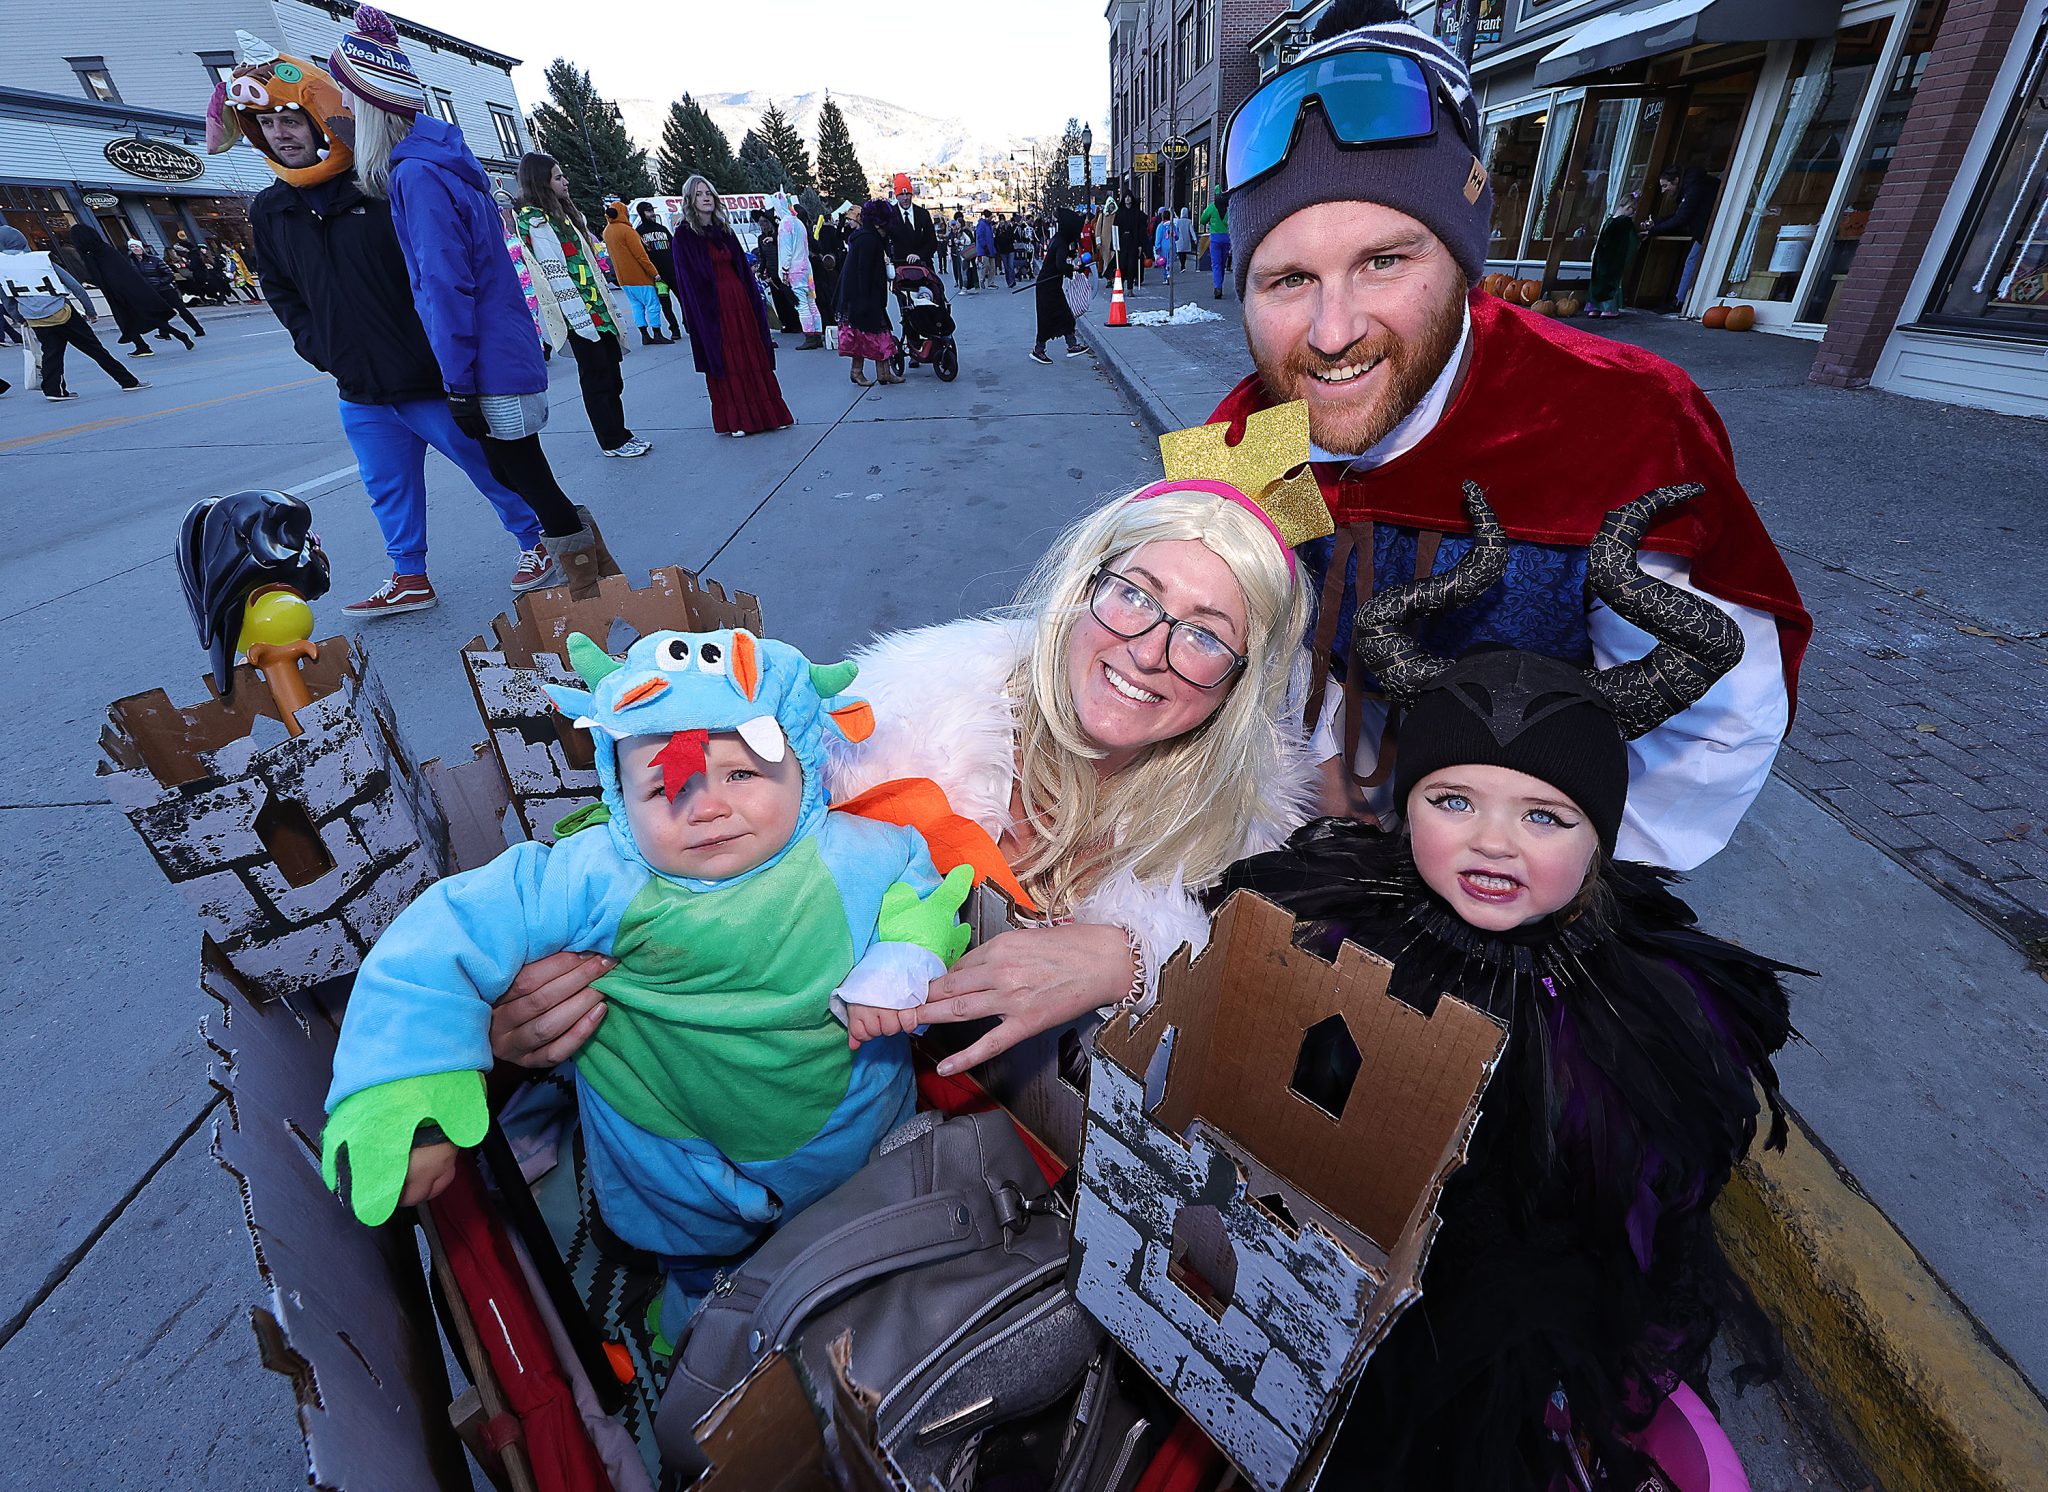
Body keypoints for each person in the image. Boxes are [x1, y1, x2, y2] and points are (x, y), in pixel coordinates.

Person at [1222, 488, 1794, 1490]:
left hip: (1499, 1328)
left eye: (1544, 816)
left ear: (1601, 843)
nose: (1492, 841)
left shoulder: (1632, 1004)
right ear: (1403, 810)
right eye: (1453, 800)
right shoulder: (1324, 922)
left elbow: (1633, 1213)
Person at [1211, 0, 1810, 869]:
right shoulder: (1242, 431)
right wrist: (1314, 769)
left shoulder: (1622, 417)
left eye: (1384, 261)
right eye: (1289, 278)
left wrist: (1576, 893)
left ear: (1463, 263)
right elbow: (1233, 631)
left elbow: (1715, 712)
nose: (1332, 332)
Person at [490, 479, 1321, 1086]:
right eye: (1133, 594)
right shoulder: (894, 723)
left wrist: (1128, 961)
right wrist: (520, 993)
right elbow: (684, 841)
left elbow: (1251, 1019)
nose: (1147, 649)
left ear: (1238, 687)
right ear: (1080, 592)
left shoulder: (1243, 835)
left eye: (1206, 637)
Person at [319, 627, 974, 1331]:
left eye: (742, 774)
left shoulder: (864, 854)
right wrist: (405, 1078)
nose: (707, 806)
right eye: (667, 785)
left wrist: (899, 963)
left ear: (804, 765)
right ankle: (700, 1310)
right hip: (673, 1157)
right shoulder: (595, 873)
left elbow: (923, 883)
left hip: (844, 1140)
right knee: (693, 1255)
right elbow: (448, 928)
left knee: (863, 1239)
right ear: (618, 792)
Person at [212, 32, 569, 613]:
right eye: (269, 125)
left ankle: (537, 542)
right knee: (386, 486)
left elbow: (437, 274)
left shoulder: (378, 184)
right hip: (356, 381)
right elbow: (280, 290)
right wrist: (320, 347)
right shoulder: (270, 208)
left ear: (318, 122)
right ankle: (410, 575)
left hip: (424, 371)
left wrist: (449, 357)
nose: (282, 133)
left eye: (292, 120)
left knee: (490, 464)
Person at [333, 3, 604, 595]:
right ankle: (595, 577)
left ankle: (592, 591)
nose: (345, 114)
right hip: (502, 347)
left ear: (375, 105)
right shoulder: (445, 164)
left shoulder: (416, 175)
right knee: (524, 471)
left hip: (483, 358)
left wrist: (455, 380)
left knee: (525, 474)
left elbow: (444, 285)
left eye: (351, 100)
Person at [514, 153, 651, 458]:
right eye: (558, 177)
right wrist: (575, 316)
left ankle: (620, 432)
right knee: (597, 377)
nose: (566, 181)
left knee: (612, 374)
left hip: (596, 307)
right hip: (576, 312)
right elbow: (553, 271)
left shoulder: (563, 214)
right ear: (541, 181)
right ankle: (612, 439)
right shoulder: (534, 218)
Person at [669, 174, 794, 436]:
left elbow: (742, 269)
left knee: (752, 354)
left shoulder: (723, 230)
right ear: (690, 200)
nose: (706, 197)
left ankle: (769, 414)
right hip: (713, 308)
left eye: (709, 193)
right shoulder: (684, 235)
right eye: (700, 193)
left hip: (740, 301)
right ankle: (739, 419)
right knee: (728, 358)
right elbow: (687, 280)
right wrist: (700, 317)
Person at [0, 225, 147, 399]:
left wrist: (19, 318)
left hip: (34, 317)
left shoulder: (2, 267)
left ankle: (54, 390)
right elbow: (75, 287)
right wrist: (89, 309)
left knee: (51, 354)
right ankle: (128, 381)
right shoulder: (42, 260)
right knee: (95, 349)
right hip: (62, 312)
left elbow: (7, 299)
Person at [66, 223, 193, 357]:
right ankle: (156, 342)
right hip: (131, 290)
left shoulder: (93, 254)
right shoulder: (105, 250)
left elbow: (101, 276)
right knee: (143, 318)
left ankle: (145, 345)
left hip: (117, 292)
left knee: (128, 320)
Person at [836, 199, 900, 387]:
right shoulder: (869, 240)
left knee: (871, 333)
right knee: (869, 334)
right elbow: (862, 271)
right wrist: (864, 299)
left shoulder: (867, 238)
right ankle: (866, 372)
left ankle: (879, 372)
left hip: (862, 295)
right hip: (862, 296)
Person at [1643, 164, 1718, 314]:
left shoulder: (1693, 190)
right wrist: (1656, 223)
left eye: (1665, 186)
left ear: (1676, 180)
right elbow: (1680, 215)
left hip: (1711, 230)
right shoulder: (1692, 186)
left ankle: (1680, 301)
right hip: (1706, 229)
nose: (1663, 191)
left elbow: (1681, 218)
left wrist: (1653, 230)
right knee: (1692, 261)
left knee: (1692, 262)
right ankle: (1680, 299)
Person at [601, 200, 673, 346]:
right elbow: (641, 255)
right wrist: (654, 273)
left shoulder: (607, 232)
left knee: (636, 305)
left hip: (623, 279)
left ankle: (644, 335)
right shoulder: (628, 231)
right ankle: (657, 333)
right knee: (652, 304)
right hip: (639, 276)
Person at [1029, 207, 1091, 365]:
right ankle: (1039, 349)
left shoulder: (1058, 239)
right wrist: (1075, 268)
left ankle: (1071, 345)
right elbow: (1060, 265)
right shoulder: (1061, 243)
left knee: (1064, 316)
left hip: (1049, 285)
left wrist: (1069, 256)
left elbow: (1056, 257)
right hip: (1047, 286)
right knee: (1049, 318)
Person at [774, 193, 824, 350]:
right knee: (811, 302)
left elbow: (785, 251)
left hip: (795, 269)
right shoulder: (799, 223)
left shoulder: (785, 224)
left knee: (801, 304)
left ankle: (809, 337)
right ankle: (817, 334)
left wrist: (784, 270)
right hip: (806, 267)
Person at [128, 238, 206, 337]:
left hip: (165, 289)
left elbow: (169, 274)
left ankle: (198, 329)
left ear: (142, 248)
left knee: (181, 309)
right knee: (159, 312)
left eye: (137, 246)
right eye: (132, 247)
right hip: (150, 291)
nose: (135, 249)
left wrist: (160, 282)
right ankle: (164, 333)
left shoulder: (154, 260)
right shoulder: (131, 263)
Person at [633, 201, 687, 342]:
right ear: (642, 213)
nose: (652, 214)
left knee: (683, 300)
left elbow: (675, 246)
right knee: (666, 304)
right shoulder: (639, 233)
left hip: (674, 273)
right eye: (648, 211)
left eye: (652, 210)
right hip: (658, 278)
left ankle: (688, 324)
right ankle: (674, 329)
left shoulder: (662, 229)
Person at [887, 176, 938, 269]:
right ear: (896, 196)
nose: (905, 198)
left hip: (923, 266)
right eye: (901, 194)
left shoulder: (923, 214)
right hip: (900, 268)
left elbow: (932, 241)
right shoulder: (890, 215)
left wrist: (919, 255)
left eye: (908, 194)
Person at [1199, 186, 1231, 301]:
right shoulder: (1230, 207)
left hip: (1215, 238)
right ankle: (1220, 284)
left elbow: (1202, 220)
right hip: (1227, 238)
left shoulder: (1212, 207)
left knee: (1216, 264)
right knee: (1223, 263)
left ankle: (1218, 287)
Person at [1151, 210, 1175, 284]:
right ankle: (1169, 275)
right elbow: (1177, 236)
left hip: (1163, 247)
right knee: (1170, 261)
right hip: (1172, 246)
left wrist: (1157, 247)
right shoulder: (1172, 225)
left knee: (1164, 262)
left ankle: (1166, 277)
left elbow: (1158, 238)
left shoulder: (1160, 226)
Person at [974, 210, 996, 291]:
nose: (991, 219)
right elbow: (980, 237)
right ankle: (981, 280)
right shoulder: (981, 225)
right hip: (984, 250)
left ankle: (991, 282)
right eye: (990, 217)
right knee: (984, 266)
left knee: (992, 267)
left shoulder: (989, 225)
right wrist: (984, 246)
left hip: (991, 249)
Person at [995, 214, 1017, 288]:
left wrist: (1005, 232)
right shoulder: (998, 230)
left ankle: (1012, 281)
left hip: (1010, 249)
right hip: (1002, 251)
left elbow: (1011, 237)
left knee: (1011, 266)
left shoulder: (1009, 228)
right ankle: (1009, 281)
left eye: (1003, 219)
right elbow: (997, 240)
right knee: (1006, 267)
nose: (1002, 221)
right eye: (1000, 220)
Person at [1174, 206, 1195, 270]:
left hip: (1179, 238)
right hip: (1186, 238)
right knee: (1184, 253)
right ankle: (1183, 264)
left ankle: (1182, 264)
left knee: (1180, 252)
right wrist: (1194, 238)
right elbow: (1192, 230)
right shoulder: (1189, 221)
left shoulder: (1178, 221)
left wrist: (1174, 237)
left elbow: (1176, 229)